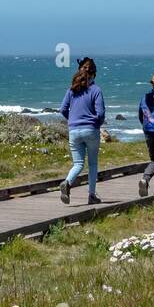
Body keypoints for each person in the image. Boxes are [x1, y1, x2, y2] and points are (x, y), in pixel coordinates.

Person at [58, 57, 105, 205]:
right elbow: (101, 113)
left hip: (74, 130)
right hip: (91, 129)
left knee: (78, 163)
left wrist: (72, 119)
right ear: (94, 74)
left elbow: (63, 109)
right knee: (92, 164)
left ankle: (67, 182)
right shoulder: (96, 90)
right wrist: (96, 123)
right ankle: (91, 195)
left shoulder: (72, 90)